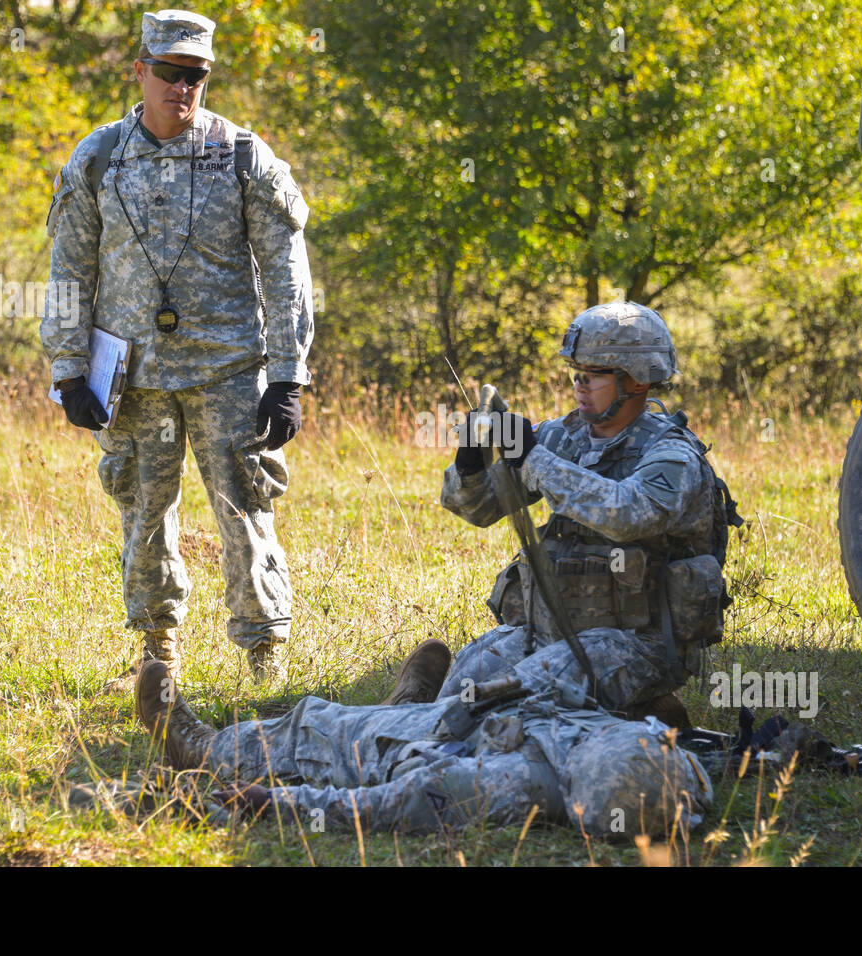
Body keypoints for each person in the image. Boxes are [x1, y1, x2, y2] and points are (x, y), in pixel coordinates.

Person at [41, 10, 314, 690]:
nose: (181, 87)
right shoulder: (99, 157)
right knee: (143, 516)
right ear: (140, 70)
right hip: (135, 380)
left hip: (228, 373)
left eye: (195, 75)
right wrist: (69, 367)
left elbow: (285, 270)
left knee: (247, 512)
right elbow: (70, 268)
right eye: (168, 72)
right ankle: (157, 655)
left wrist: (288, 375)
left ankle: (264, 661)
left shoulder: (243, 156)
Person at [383, 302, 739, 724]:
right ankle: (414, 712)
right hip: (552, 631)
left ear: (637, 380)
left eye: (594, 374)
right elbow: (475, 509)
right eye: (576, 373)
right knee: (468, 682)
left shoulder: (672, 452)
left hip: (639, 642)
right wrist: (470, 465)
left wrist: (533, 460)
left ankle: (413, 725)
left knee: (499, 706)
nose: (580, 385)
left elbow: (628, 514)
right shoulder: (562, 437)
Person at [135, 658, 713, 836]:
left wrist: (272, 802)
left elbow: (387, 806)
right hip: (480, 710)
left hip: (429, 747)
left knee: (315, 726)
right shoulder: (656, 751)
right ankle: (407, 705)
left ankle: (202, 748)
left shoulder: (517, 785)